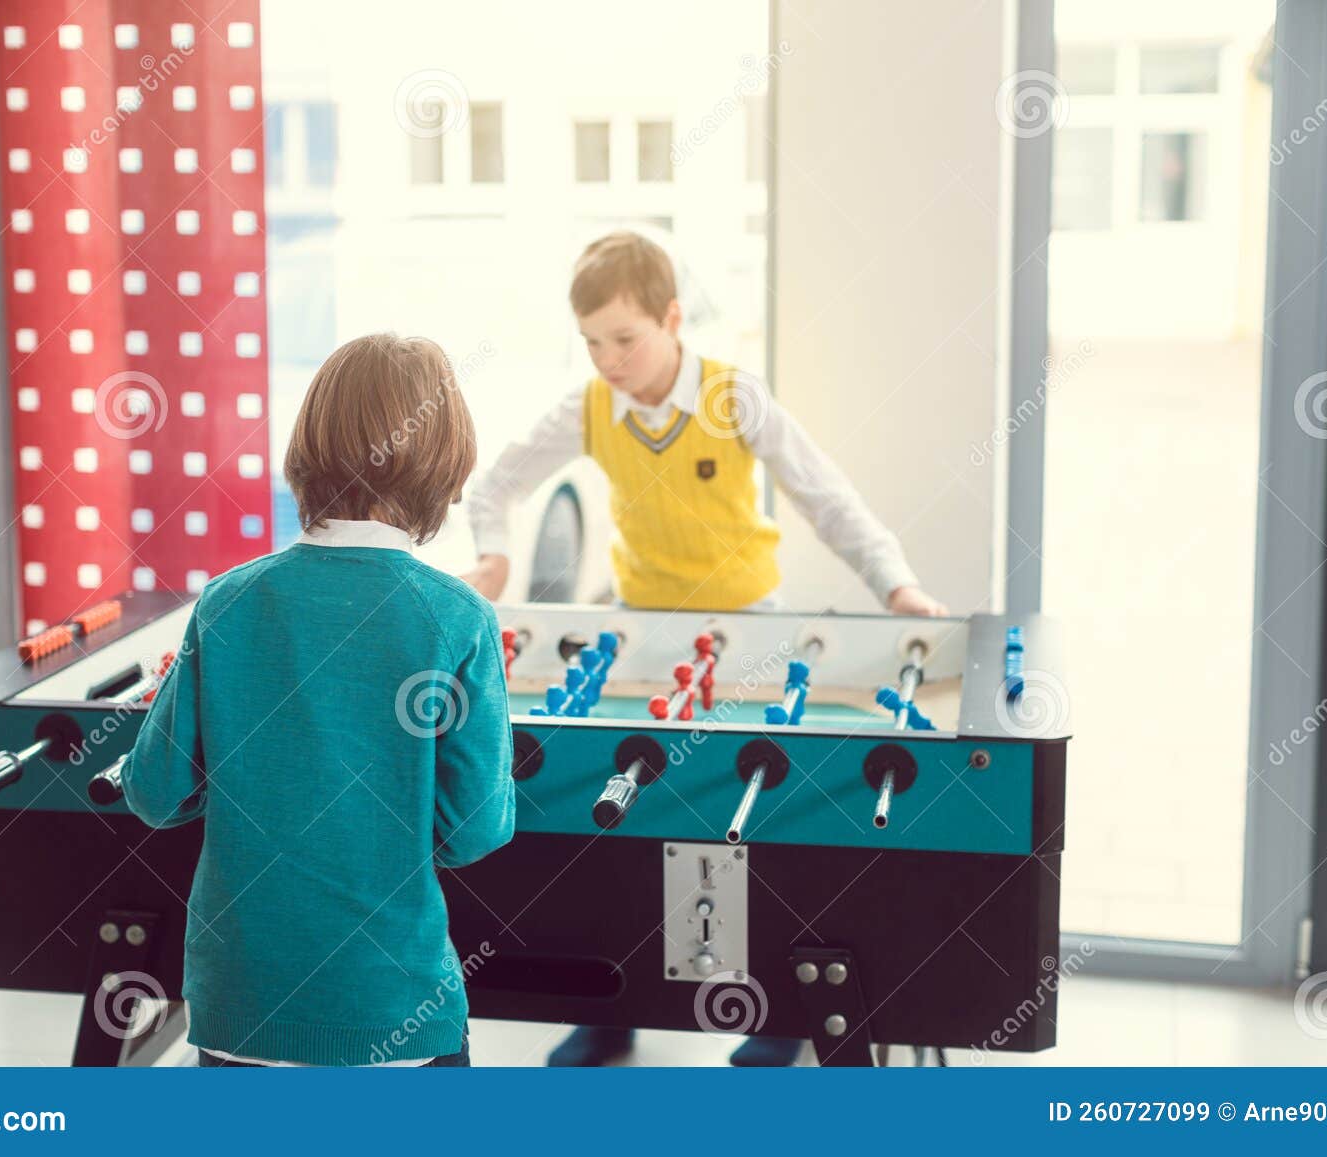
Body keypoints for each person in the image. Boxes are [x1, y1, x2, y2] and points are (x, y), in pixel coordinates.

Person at [462, 231, 945, 1067]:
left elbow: (828, 498)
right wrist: (493, 552)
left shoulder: (734, 397)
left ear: (672, 318)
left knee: (751, 826)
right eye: (590, 342)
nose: (607, 359)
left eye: (624, 338)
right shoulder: (586, 408)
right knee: (619, 828)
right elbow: (493, 482)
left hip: (750, 634)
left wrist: (896, 586)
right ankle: (610, 1007)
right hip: (642, 636)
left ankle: (780, 1014)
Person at [126, 333, 516, 1067]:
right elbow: (474, 830)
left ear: (307, 452)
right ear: (447, 470)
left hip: (240, 1014)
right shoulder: (459, 617)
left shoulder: (227, 603)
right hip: (396, 1014)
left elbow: (152, 791)